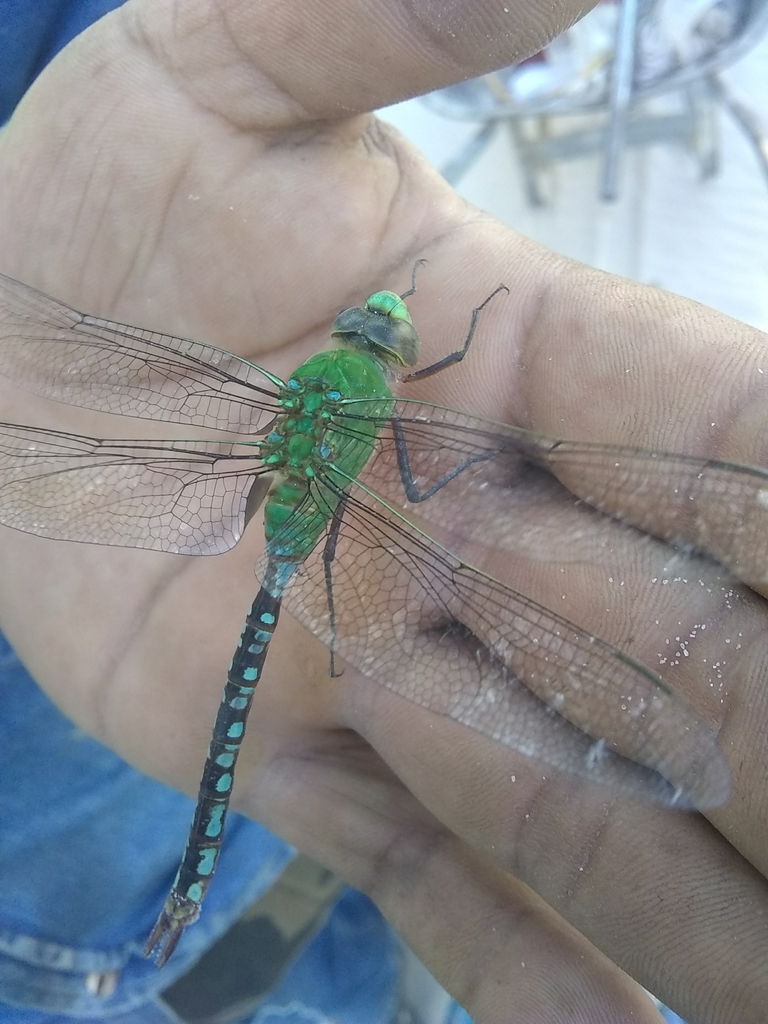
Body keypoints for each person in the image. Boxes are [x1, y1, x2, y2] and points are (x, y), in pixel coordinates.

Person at [0, 1, 766, 1022]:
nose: (387, 327)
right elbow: (416, 482)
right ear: (394, 364)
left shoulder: (302, 384)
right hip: (289, 576)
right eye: (385, 331)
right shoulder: (395, 408)